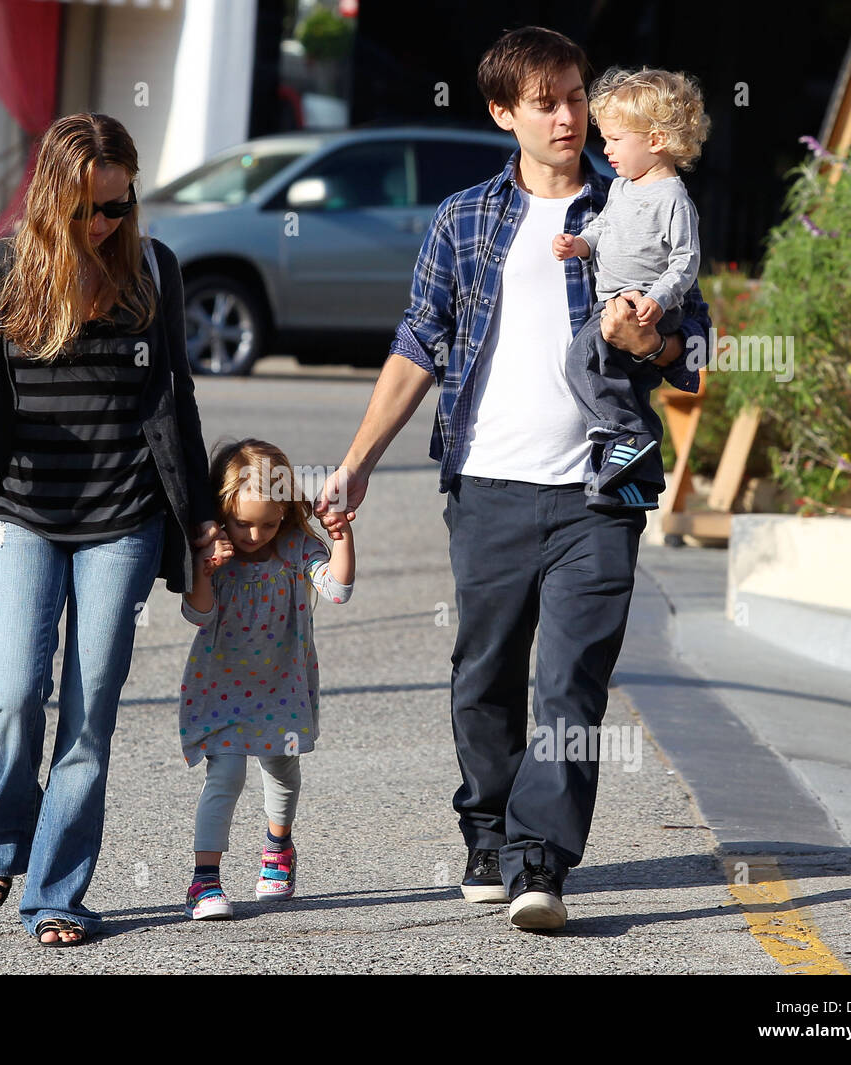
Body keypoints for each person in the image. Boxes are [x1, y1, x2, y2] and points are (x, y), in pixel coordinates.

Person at [315, 27, 711, 931]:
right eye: (548, 101)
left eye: (576, 95)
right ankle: (489, 831)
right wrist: (357, 462)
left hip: (601, 490)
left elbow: (698, 348)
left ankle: (542, 859)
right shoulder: (464, 218)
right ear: (503, 114)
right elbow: (418, 344)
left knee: (573, 679)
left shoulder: (643, 204)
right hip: (486, 484)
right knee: (484, 673)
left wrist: (649, 341)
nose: (570, 115)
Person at [0, 113, 218, 947]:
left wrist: (199, 522)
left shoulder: (152, 270)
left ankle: (56, 893)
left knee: (90, 711)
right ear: (50, 199)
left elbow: (176, 400)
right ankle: (4, 836)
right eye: (87, 209)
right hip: (24, 508)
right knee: (14, 693)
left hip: (121, 516)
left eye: (118, 207)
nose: (103, 225)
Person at [178, 439, 354, 919]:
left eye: (270, 522)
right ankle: (204, 881)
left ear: (286, 513)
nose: (256, 534)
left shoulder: (296, 547)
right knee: (227, 774)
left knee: (280, 765)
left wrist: (341, 537)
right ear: (222, 509)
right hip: (222, 684)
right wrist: (204, 568)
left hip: (282, 683)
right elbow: (197, 613)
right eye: (243, 522)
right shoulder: (217, 551)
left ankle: (278, 847)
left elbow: (337, 590)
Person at [552, 66, 711, 509]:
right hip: (612, 301)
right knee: (613, 375)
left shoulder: (674, 199)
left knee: (582, 360)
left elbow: (685, 262)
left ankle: (629, 434)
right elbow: (603, 227)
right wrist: (581, 243)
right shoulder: (621, 189)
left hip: (644, 305)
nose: (606, 149)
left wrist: (658, 301)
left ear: (656, 140)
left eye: (616, 140)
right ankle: (633, 480)